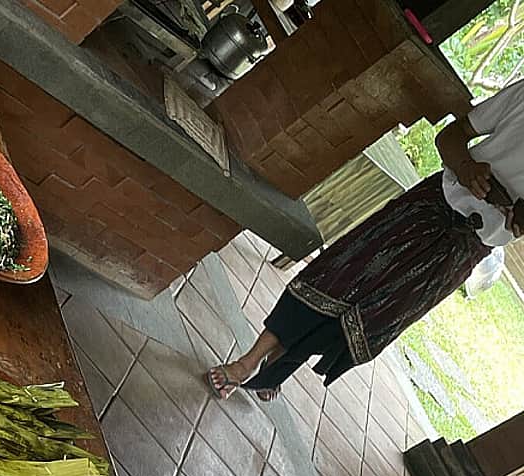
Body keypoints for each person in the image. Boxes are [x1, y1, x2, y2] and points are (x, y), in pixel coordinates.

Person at [207, 79, 524, 402]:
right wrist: (466, 166)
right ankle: (246, 363)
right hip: (430, 206)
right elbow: (450, 137)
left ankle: (280, 367)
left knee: (369, 320)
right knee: (334, 279)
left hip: (465, 249)